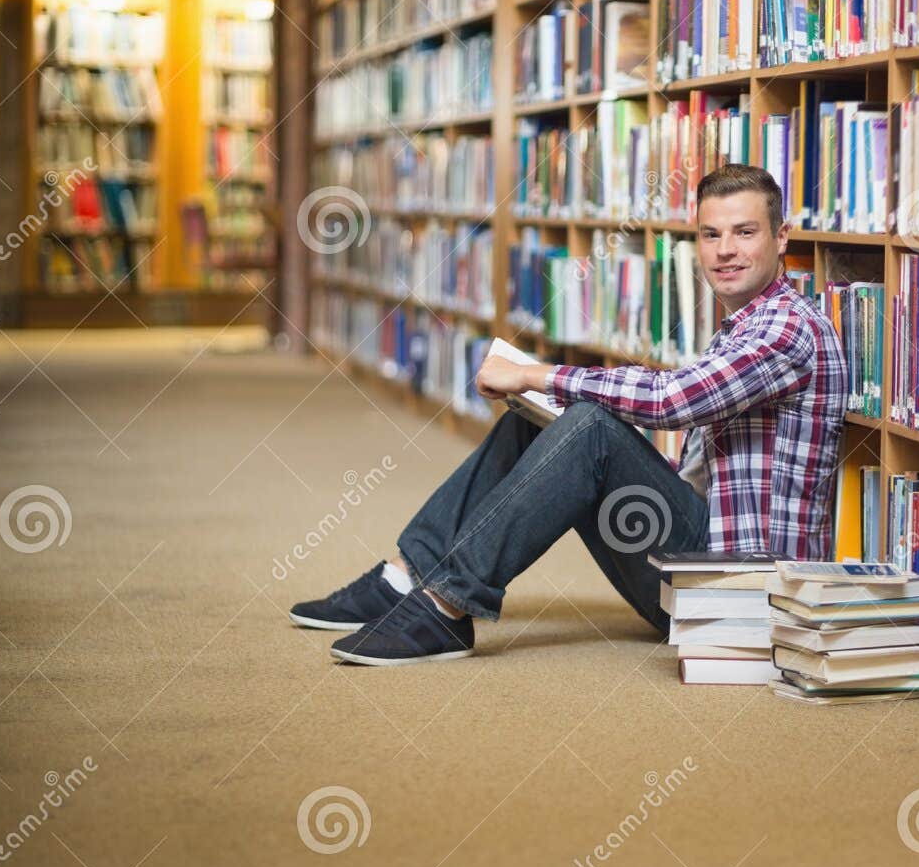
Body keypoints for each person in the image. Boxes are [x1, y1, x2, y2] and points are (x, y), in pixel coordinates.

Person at [289, 165, 850, 665]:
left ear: (781, 239)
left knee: (589, 430)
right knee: (534, 422)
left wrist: (535, 374)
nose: (725, 249)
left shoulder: (786, 328)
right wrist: (541, 395)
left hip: (744, 595)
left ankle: (446, 604)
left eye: (744, 232)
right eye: (711, 234)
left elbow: (670, 402)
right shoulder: (747, 323)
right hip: (699, 564)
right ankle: (406, 576)